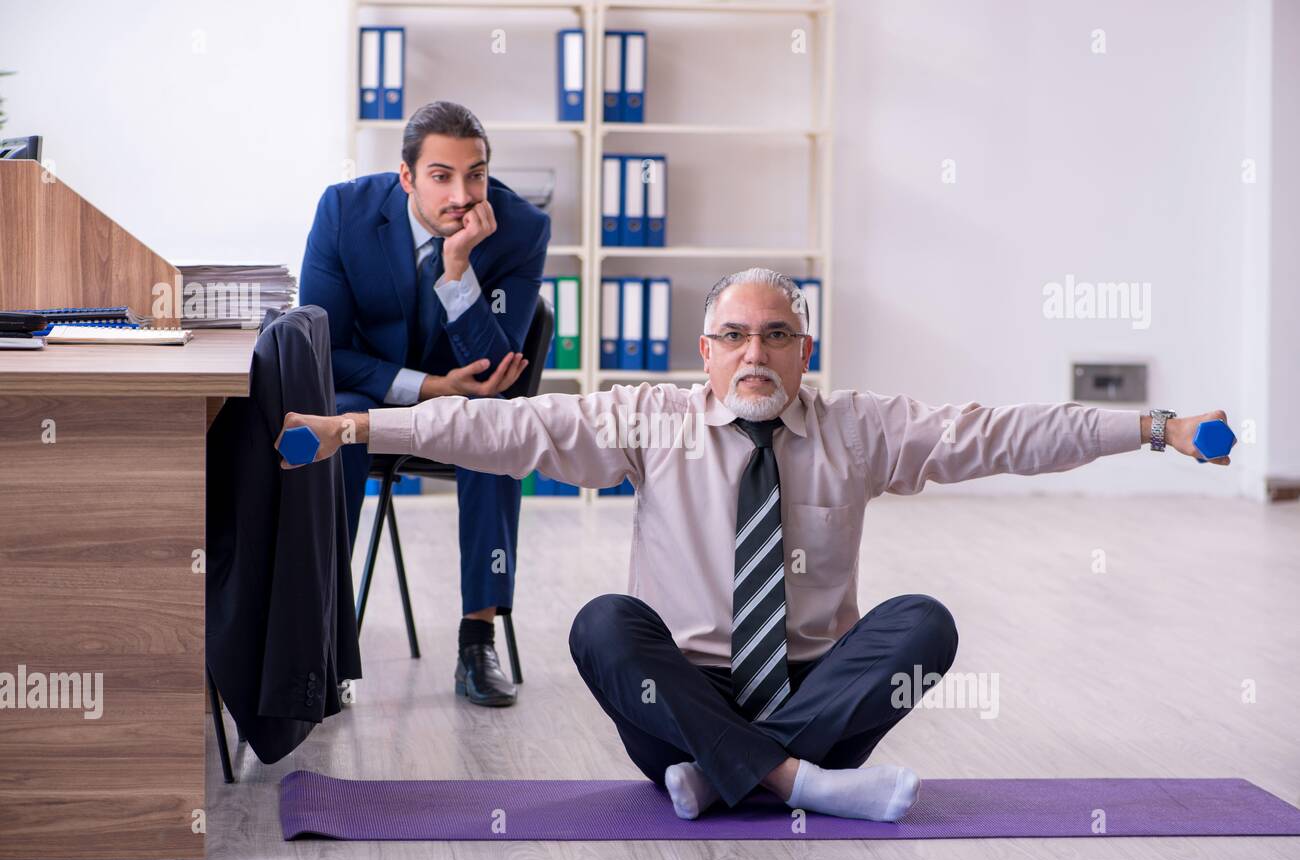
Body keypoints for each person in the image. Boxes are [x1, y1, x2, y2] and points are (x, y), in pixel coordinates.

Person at [277, 267, 1233, 822]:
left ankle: (740, 770)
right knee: (604, 623)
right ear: (705, 354)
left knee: (923, 623)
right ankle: (799, 783)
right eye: (734, 336)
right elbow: (505, 431)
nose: (755, 354)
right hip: (676, 705)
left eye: (777, 336)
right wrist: (356, 432)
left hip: (814, 692)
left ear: (803, 350)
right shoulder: (651, 420)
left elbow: (1005, 433)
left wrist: (1155, 426)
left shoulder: (859, 425)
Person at [300, 100, 549, 707]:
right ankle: (320, 641)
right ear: (407, 177)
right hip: (368, 387)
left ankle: (476, 641)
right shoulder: (345, 211)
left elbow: (497, 371)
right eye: (442, 176)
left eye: (477, 174)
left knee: (495, 430)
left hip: (467, 400)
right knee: (338, 425)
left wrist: (458, 269)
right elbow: (322, 347)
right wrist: (430, 387)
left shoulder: (518, 229)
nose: (462, 195)